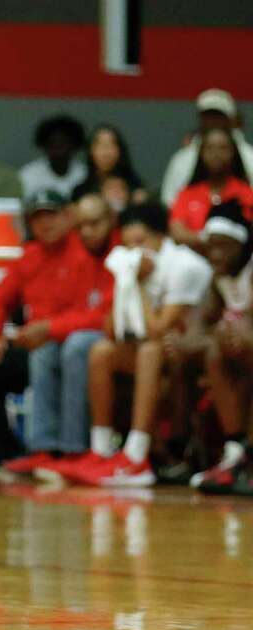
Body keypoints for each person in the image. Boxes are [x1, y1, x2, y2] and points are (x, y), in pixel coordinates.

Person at [65, 203, 213, 487]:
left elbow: (158, 331)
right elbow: (111, 331)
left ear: (162, 238)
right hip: (159, 348)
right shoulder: (127, 265)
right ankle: (101, 449)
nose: (134, 251)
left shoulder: (186, 266)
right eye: (129, 244)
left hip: (192, 352)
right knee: (101, 351)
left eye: (141, 242)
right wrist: (126, 280)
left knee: (149, 351)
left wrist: (136, 283)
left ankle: (136, 455)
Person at [0, 191, 112, 473]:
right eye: (38, 218)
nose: (45, 224)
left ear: (68, 216)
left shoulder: (87, 251)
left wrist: (51, 328)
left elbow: (97, 314)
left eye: (52, 215)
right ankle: (3, 454)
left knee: (57, 350)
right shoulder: (29, 257)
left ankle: (64, 449)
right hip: (36, 342)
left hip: (68, 340)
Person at [188, 205, 253, 494]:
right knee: (215, 349)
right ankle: (235, 448)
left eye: (224, 247)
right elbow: (198, 328)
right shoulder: (218, 277)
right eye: (210, 247)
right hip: (240, 355)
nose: (215, 254)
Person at [161, 89, 253, 208]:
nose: (213, 121)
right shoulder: (182, 158)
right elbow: (169, 199)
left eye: (219, 116)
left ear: (231, 119)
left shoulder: (249, 156)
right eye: (208, 116)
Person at [169, 127, 253, 250]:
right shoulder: (187, 194)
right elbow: (177, 232)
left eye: (223, 148)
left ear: (233, 153)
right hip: (195, 259)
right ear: (201, 153)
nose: (216, 154)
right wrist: (208, 240)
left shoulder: (246, 193)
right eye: (210, 148)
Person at [72, 124, 148, 209]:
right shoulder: (81, 192)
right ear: (90, 151)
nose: (106, 152)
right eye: (100, 145)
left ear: (120, 151)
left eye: (111, 145)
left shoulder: (136, 191)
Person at [20, 114, 88, 199]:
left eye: (63, 144)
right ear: (44, 146)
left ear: (75, 146)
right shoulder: (29, 175)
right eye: (53, 144)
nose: (58, 151)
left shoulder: (84, 174)